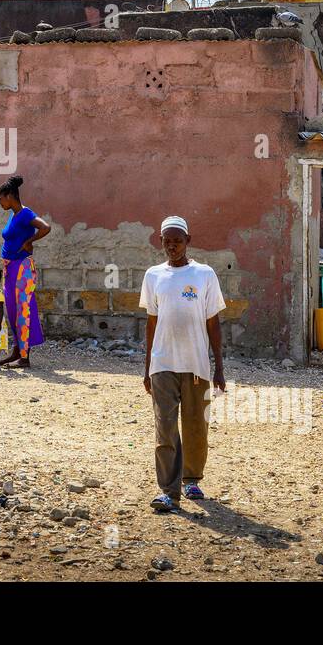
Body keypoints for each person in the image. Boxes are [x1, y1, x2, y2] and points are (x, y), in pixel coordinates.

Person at [140, 215, 226, 512]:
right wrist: (147, 365)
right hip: (163, 362)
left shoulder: (204, 274)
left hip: (197, 365)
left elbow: (213, 323)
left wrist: (219, 368)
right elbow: (152, 322)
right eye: (167, 241)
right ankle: (168, 491)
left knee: (195, 425)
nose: (172, 246)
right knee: (165, 426)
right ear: (160, 241)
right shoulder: (153, 276)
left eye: (178, 240)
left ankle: (191, 479)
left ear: (188, 241)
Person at [0, 175, 50, 369]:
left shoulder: (25, 214)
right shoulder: (14, 215)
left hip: (22, 268)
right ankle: (17, 351)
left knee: (23, 311)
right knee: (12, 310)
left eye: (1, 199)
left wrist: (29, 242)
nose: (0, 203)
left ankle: (24, 357)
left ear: (9, 196)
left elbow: (45, 227)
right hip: (11, 268)